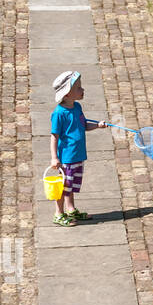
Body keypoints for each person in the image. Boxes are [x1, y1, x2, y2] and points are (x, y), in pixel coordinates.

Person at [49, 71, 107, 227]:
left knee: (72, 185)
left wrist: (97, 126)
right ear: (67, 94)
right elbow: (54, 136)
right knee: (63, 187)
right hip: (66, 157)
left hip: (78, 155)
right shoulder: (59, 114)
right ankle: (58, 213)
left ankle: (71, 209)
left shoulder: (77, 107)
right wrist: (55, 157)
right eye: (78, 88)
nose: (83, 90)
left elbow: (84, 125)